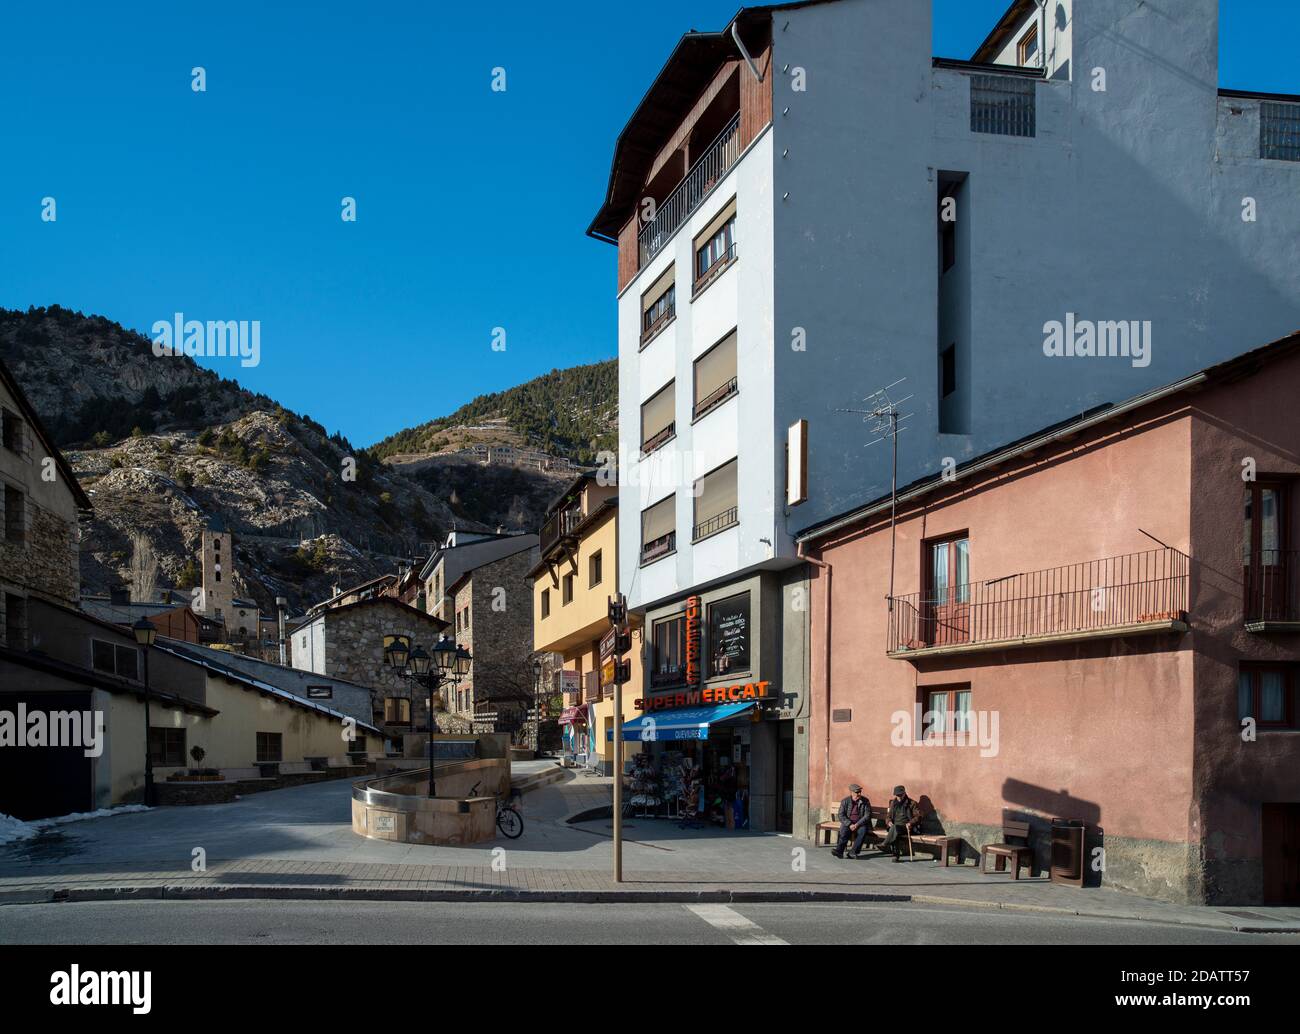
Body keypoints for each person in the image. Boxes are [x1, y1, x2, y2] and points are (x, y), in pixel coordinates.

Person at [877, 785, 918, 862]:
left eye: (900, 795)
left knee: (894, 830)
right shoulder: (893, 803)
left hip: (906, 827)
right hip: (895, 826)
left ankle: (887, 845)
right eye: (897, 795)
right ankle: (894, 854)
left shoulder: (912, 803)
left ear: (904, 793)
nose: (898, 797)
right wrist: (888, 822)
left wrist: (910, 823)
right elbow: (888, 816)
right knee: (895, 830)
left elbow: (918, 817)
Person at [832, 783, 872, 859]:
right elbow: (841, 815)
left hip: (860, 823)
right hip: (849, 822)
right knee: (844, 830)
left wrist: (857, 824)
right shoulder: (845, 801)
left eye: (860, 792)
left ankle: (853, 852)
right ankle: (839, 851)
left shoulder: (865, 801)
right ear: (852, 792)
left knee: (863, 831)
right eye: (857, 792)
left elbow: (867, 815)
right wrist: (849, 824)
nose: (859, 794)